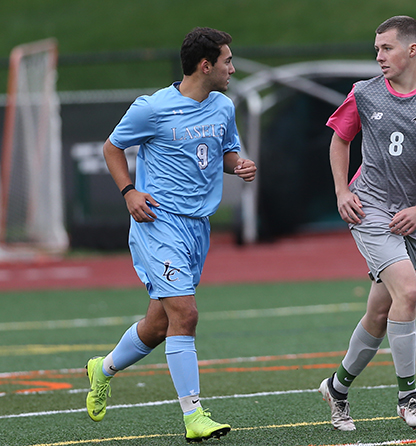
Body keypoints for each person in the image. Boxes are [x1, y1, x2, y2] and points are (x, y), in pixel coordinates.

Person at [85, 27, 256, 443]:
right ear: (206, 65)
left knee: (159, 324)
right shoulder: (152, 108)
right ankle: (194, 416)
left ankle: (102, 368)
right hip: (157, 224)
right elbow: (112, 148)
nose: (232, 68)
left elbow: (226, 152)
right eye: (228, 61)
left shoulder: (223, 106)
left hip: (198, 228)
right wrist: (129, 193)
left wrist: (240, 165)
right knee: (186, 314)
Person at [319, 15, 416, 430]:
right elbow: (339, 139)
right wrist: (341, 191)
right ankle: (408, 398)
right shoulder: (364, 93)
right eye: (376, 49)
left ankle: (336, 388)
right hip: (369, 209)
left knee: (380, 311)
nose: (378, 56)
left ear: (412, 49)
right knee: (409, 291)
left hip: (412, 218)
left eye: (386, 48)